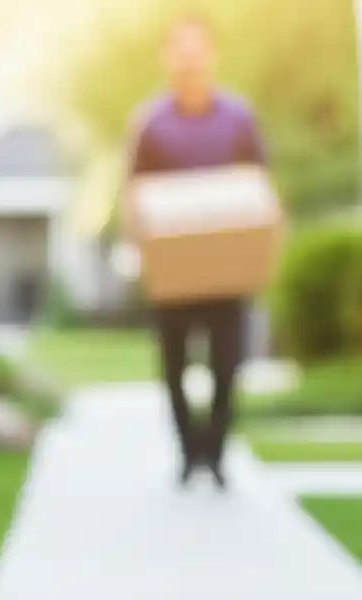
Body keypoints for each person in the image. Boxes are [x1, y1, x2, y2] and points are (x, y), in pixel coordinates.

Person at [126, 16, 268, 490]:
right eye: (180, 49)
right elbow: (136, 194)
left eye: (197, 49)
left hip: (227, 272)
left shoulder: (238, 118)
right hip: (174, 275)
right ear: (168, 57)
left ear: (211, 55)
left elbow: (258, 186)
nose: (189, 58)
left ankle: (217, 452)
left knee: (228, 367)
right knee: (174, 369)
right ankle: (189, 453)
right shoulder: (151, 123)